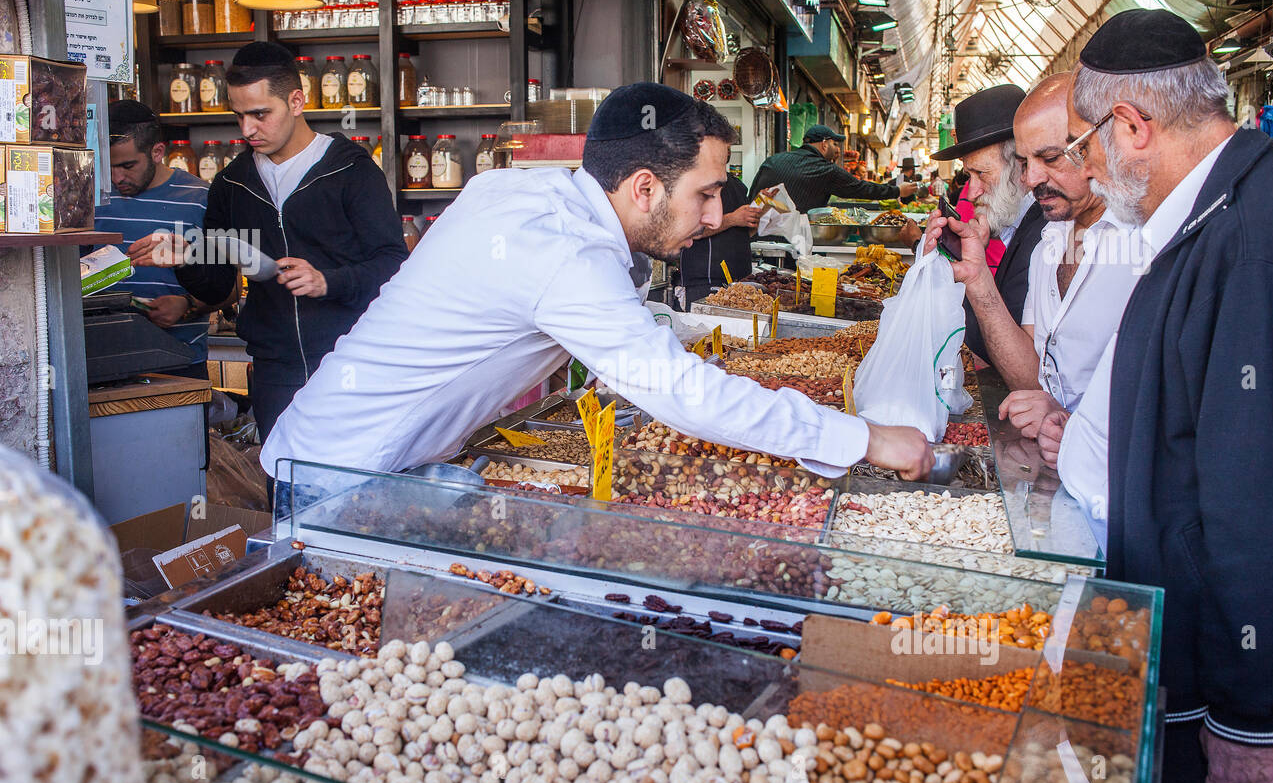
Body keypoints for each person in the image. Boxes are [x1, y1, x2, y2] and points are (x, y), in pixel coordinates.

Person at [260, 83, 933, 483]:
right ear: (643, 187)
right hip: (340, 473)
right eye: (704, 194)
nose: (712, 215)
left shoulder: (520, 192)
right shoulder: (564, 253)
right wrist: (865, 439)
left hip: (370, 454)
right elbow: (680, 392)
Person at [1041, 9, 1273, 783]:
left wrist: (1250, 720)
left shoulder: (1257, 230)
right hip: (1175, 637)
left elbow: (1261, 491)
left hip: (1221, 677)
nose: (1090, 164)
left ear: (1131, 124)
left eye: (1085, 144)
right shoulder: (1204, 209)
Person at [165, 42, 407, 447]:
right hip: (275, 369)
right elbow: (219, 288)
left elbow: (393, 264)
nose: (247, 130)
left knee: (355, 489)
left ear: (296, 101)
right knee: (286, 485)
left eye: (260, 114)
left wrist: (328, 281)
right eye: (239, 116)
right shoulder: (232, 183)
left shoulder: (351, 169)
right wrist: (187, 259)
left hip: (353, 359)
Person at [925, 74, 1141, 439]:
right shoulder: (1051, 240)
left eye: (1050, 157)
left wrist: (1077, 429)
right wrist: (976, 277)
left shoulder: (1141, 245)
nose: (1031, 178)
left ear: (1096, 144)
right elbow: (1036, 378)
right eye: (1026, 162)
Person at [94, 100, 220, 378]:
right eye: (109, 166)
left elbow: (229, 287)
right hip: (103, 361)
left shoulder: (200, 199)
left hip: (181, 362)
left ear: (157, 152)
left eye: (128, 165)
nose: (117, 177)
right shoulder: (91, 198)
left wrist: (186, 305)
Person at [929, 84, 1043, 364]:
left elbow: (1031, 370)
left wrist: (976, 276)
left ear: (1021, 164)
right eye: (969, 175)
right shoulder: (1010, 227)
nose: (971, 191)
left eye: (981, 173)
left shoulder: (1046, 234)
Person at [748, 124, 917, 212]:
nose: (837, 149)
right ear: (823, 145)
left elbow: (751, 197)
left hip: (759, 239)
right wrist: (897, 191)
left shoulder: (772, 160)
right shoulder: (825, 170)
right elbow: (861, 188)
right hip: (795, 242)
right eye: (834, 144)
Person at [676, 173, 761, 307]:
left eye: (729, 149)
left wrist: (759, 211)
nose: (727, 151)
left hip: (740, 284)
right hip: (705, 284)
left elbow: (745, 233)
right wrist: (733, 219)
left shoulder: (738, 186)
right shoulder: (693, 182)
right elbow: (689, 230)